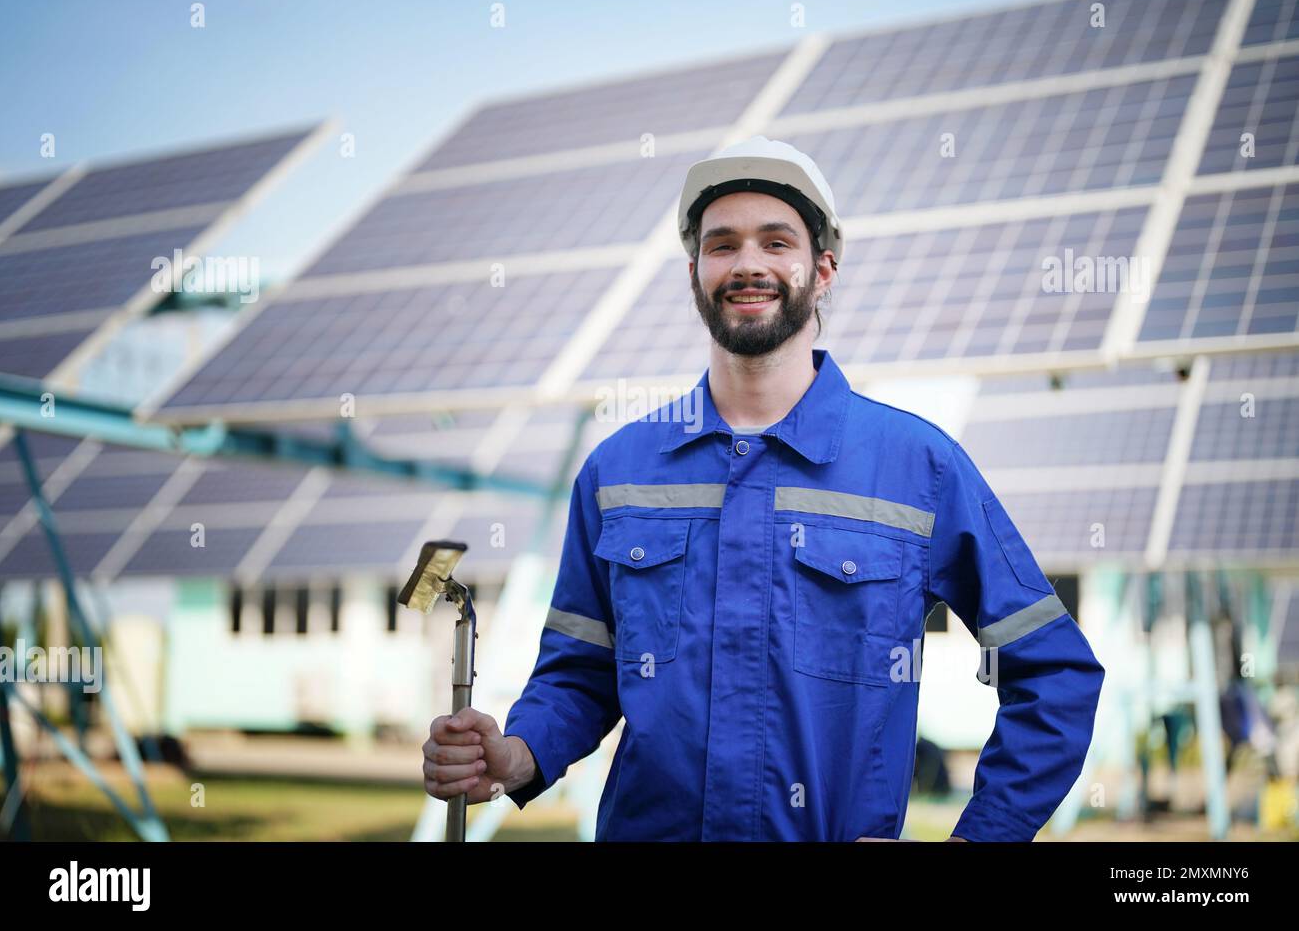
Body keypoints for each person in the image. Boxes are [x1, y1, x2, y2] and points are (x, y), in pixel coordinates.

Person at [422, 136, 1105, 841]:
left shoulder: (920, 468)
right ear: (695, 272)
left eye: (776, 242)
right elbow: (581, 674)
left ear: (824, 269)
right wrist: (513, 756)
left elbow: (1056, 675)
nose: (747, 263)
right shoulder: (618, 473)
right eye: (723, 245)